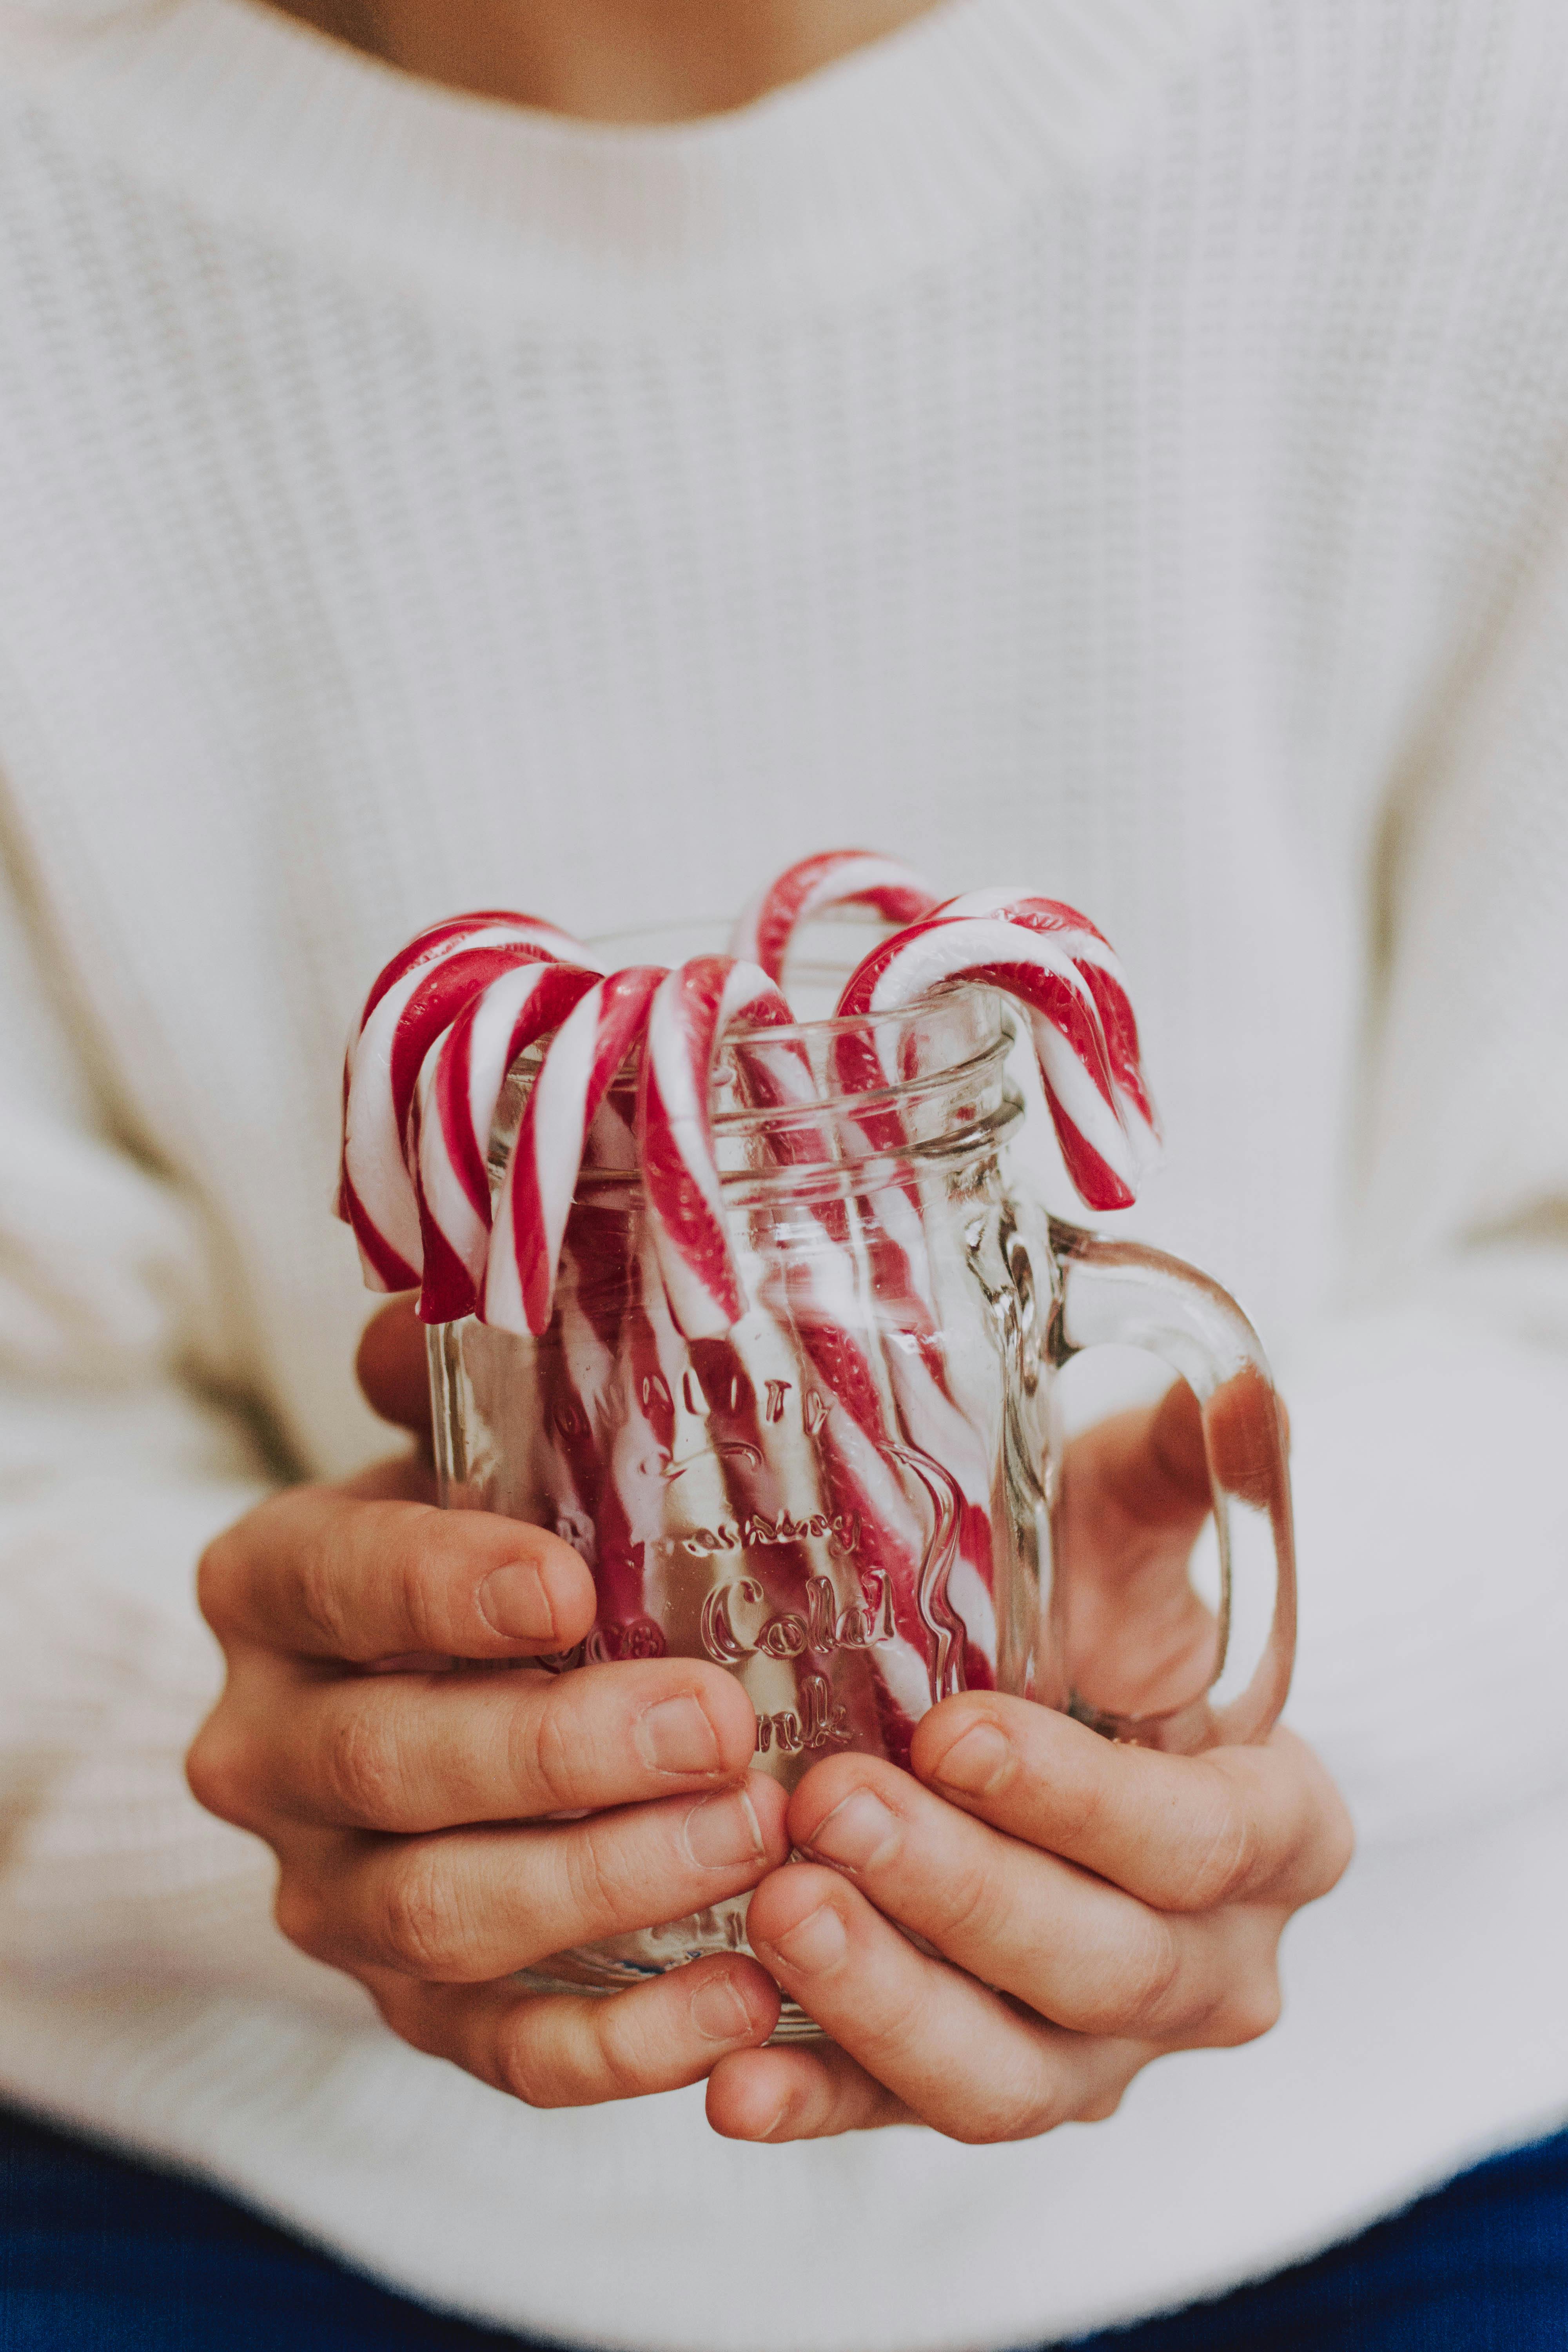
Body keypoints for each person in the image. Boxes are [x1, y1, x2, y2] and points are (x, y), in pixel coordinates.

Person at [0, 0, 1564, 2345]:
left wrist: (1264, 1668)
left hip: (1405, 2112)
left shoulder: (1479, 97)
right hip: (214, 2156)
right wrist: (262, 1750)